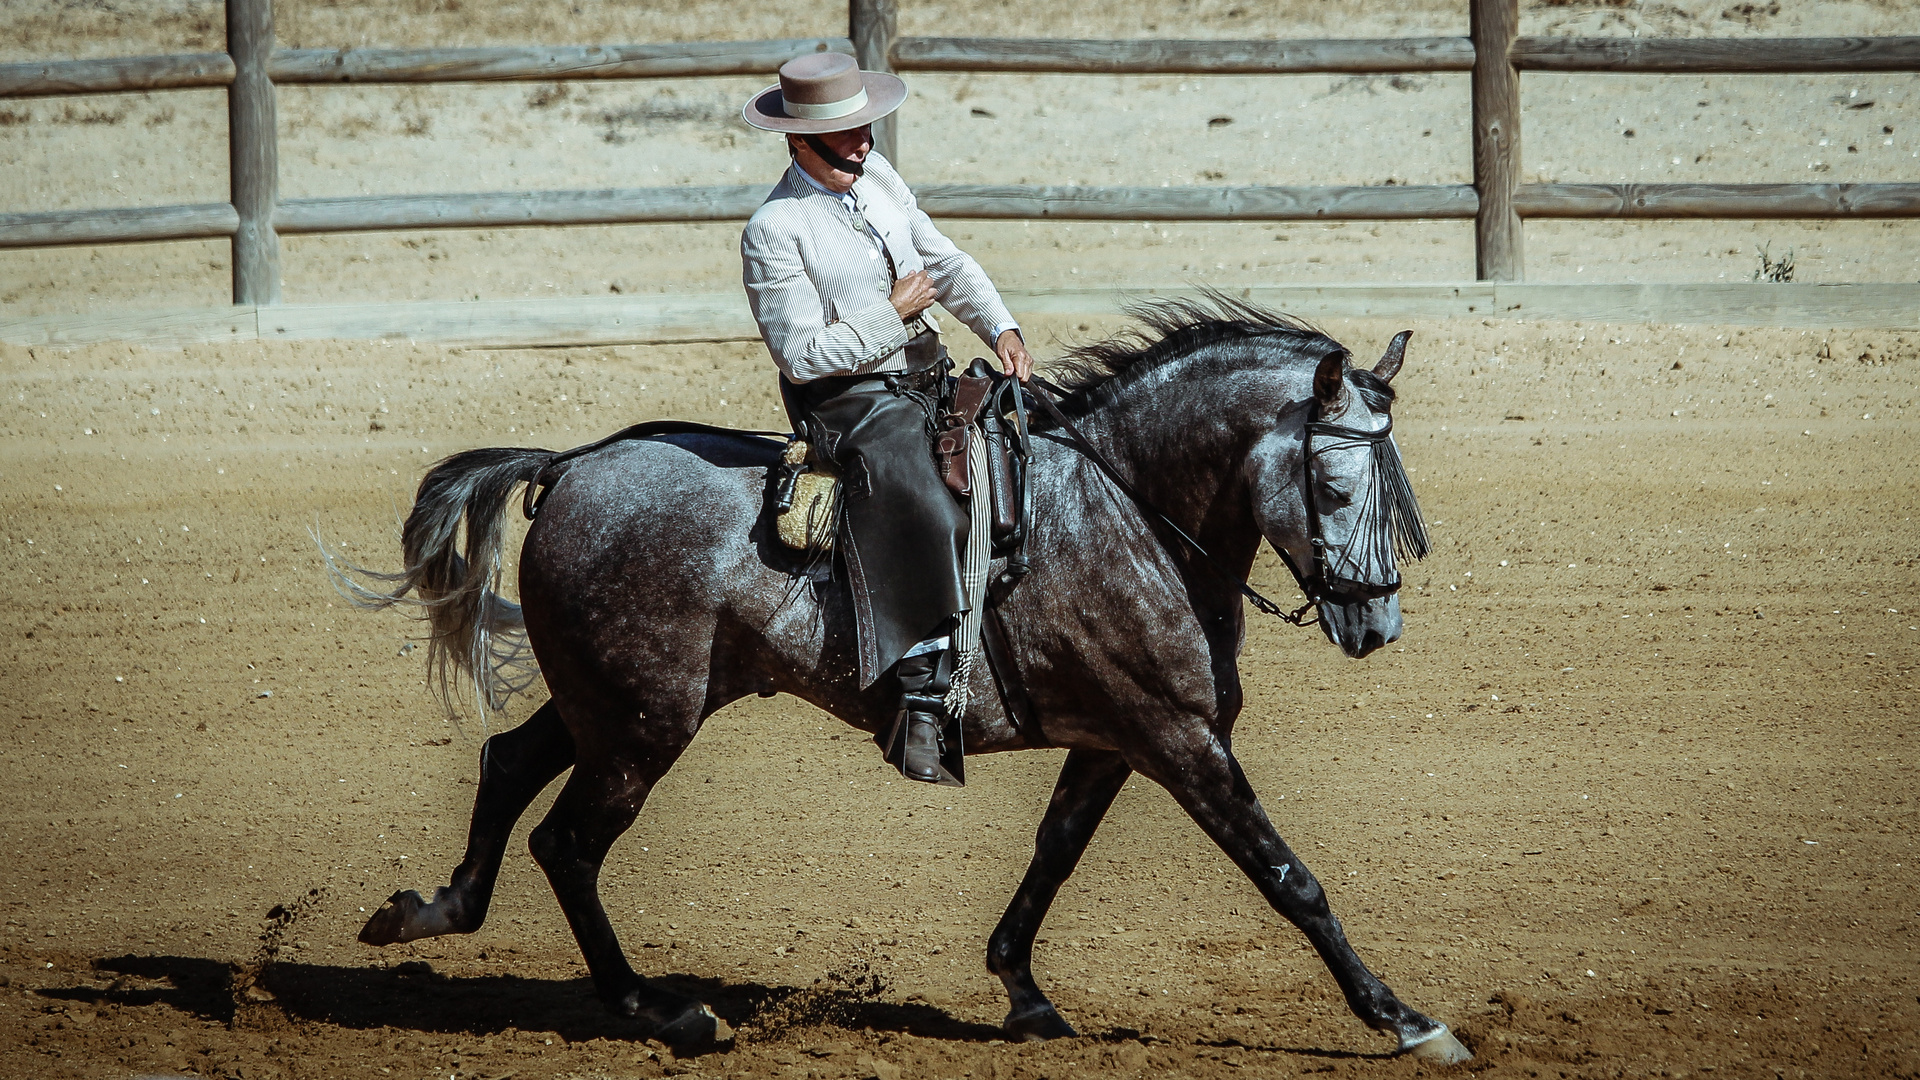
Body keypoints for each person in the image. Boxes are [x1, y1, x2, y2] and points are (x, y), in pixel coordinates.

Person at [740, 52, 1032, 784]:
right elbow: (803, 355)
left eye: (865, 129)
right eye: (843, 137)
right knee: (919, 485)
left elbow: (944, 262)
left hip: (925, 373)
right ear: (797, 144)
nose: (862, 144)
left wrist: (1000, 327)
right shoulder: (774, 229)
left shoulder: (879, 179)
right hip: (849, 400)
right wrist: (892, 314)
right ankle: (920, 691)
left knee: (1033, 437)